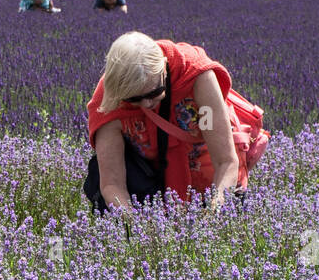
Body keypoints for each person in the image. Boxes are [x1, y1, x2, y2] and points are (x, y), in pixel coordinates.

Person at [86, 31, 245, 211]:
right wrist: (137, 226)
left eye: (154, 92)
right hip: (153, 185)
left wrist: (215, 209)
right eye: (134, 99)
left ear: (163, 68)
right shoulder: (110, 101)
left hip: (211, 181)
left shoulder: (195, 77)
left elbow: (226, 161)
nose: (146, 103)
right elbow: (111, 184)